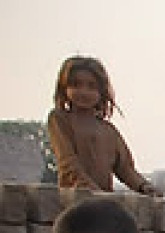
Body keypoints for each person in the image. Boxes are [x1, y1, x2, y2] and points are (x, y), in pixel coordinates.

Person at [47, 56, 156, 194]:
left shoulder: (108, 130)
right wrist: (90, 189)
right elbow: (68, 163)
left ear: (101, 92)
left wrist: (143, 186)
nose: (84, 92)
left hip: (103, 198)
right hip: (74, 198)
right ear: (64, 88)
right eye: (76, 85)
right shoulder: (60, 119)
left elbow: (126, 169)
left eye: (91, 86)